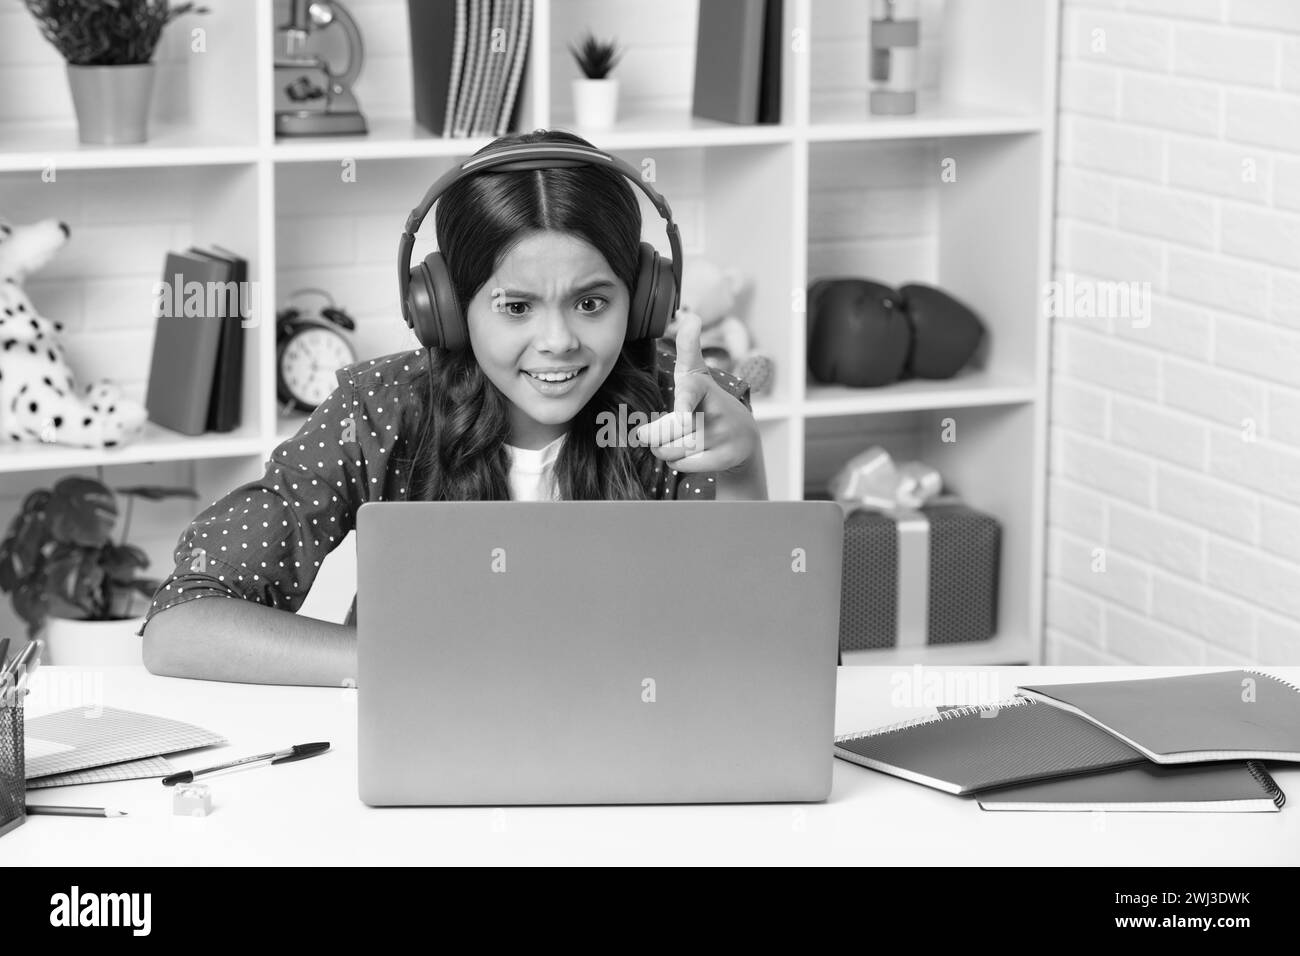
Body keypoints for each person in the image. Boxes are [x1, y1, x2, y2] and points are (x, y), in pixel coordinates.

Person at [141, 128, 767, 686]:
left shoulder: (685, 410)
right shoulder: (380, 412)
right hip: (426, 750)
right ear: (444, 308)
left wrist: (741, 464)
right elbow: (183, 627)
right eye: (516, 307)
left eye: (592, 302)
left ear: (645, 299)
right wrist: (410, 664)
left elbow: (755, 648)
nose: (558, 341)